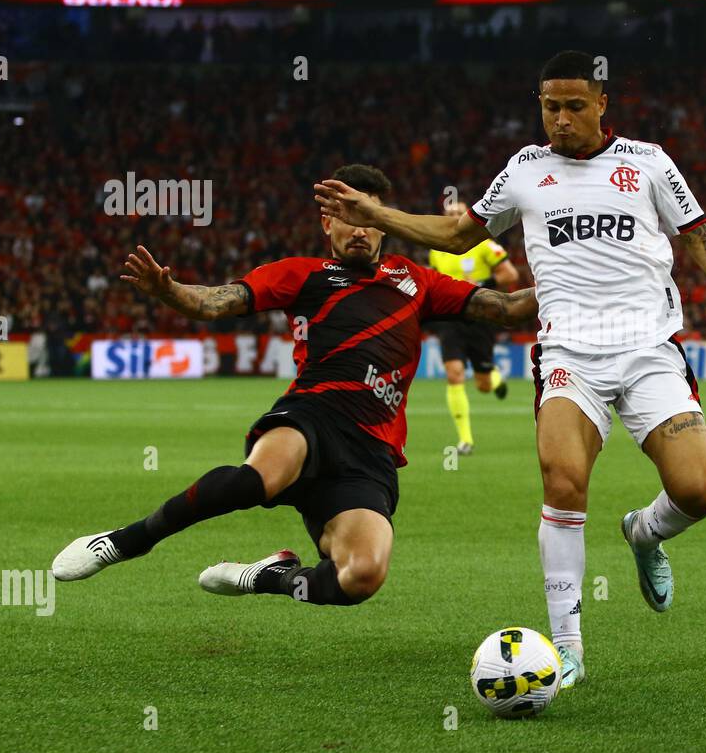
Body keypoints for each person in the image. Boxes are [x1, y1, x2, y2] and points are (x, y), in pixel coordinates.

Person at [315, 52, 706, 685]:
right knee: (563, 483)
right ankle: (568, 647)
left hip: (650, 349)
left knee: (698, 491)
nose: (562, 119)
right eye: (551, 106)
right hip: (569, 355)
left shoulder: (649, 162)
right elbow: (461, 233)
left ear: (602, 104)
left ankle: (643, 533)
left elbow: (700, 239)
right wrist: (378, 213)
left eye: (576, 106)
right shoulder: (525, 170)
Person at [52, 164, 538, 606]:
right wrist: (171, 292)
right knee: (255, 480)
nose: (361, 229)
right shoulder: (302, 274)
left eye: (371, 218)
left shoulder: (417, 282)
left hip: (371, 454)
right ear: (328, 222)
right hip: (313, 415)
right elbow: (215, 302)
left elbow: (510, 307)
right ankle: (124, 541)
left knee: (360, 577)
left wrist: (593, 282)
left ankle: (270, 576)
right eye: (349, 216)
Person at [428, 199, 522, 454]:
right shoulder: (437, 250)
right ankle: (465, 440)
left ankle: (493, 378)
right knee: (454, 373)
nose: (455, 216)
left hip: (480, 316)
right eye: (450, 213)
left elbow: (510, 275)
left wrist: (480, 284)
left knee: (482, 383)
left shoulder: (484, 245)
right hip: (450, 318)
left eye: (459, 213)